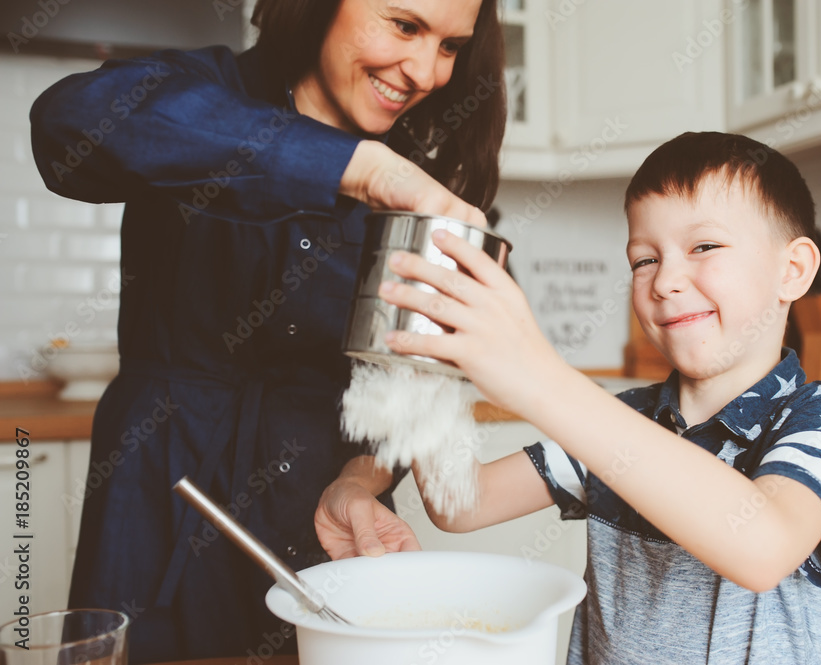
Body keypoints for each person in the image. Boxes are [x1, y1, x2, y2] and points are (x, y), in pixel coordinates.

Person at [28, 0, 505, 660]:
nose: (426, 71)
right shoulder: (206, 93)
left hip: (313, 533)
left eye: (452, 47)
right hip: (155, 502)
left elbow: (406, 395)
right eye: (404, 26)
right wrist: (361, 167)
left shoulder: (432, 182)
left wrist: (359, 482)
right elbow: (63, 125)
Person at [373, 132, 821, 664]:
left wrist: (542, 380)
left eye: (704, 246)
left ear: (792, 270)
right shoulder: (623, 419)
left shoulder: (820, 420)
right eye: (643, 260)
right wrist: (417, 364)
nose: (665, 281)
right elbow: (464, 502)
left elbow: (762, 548)